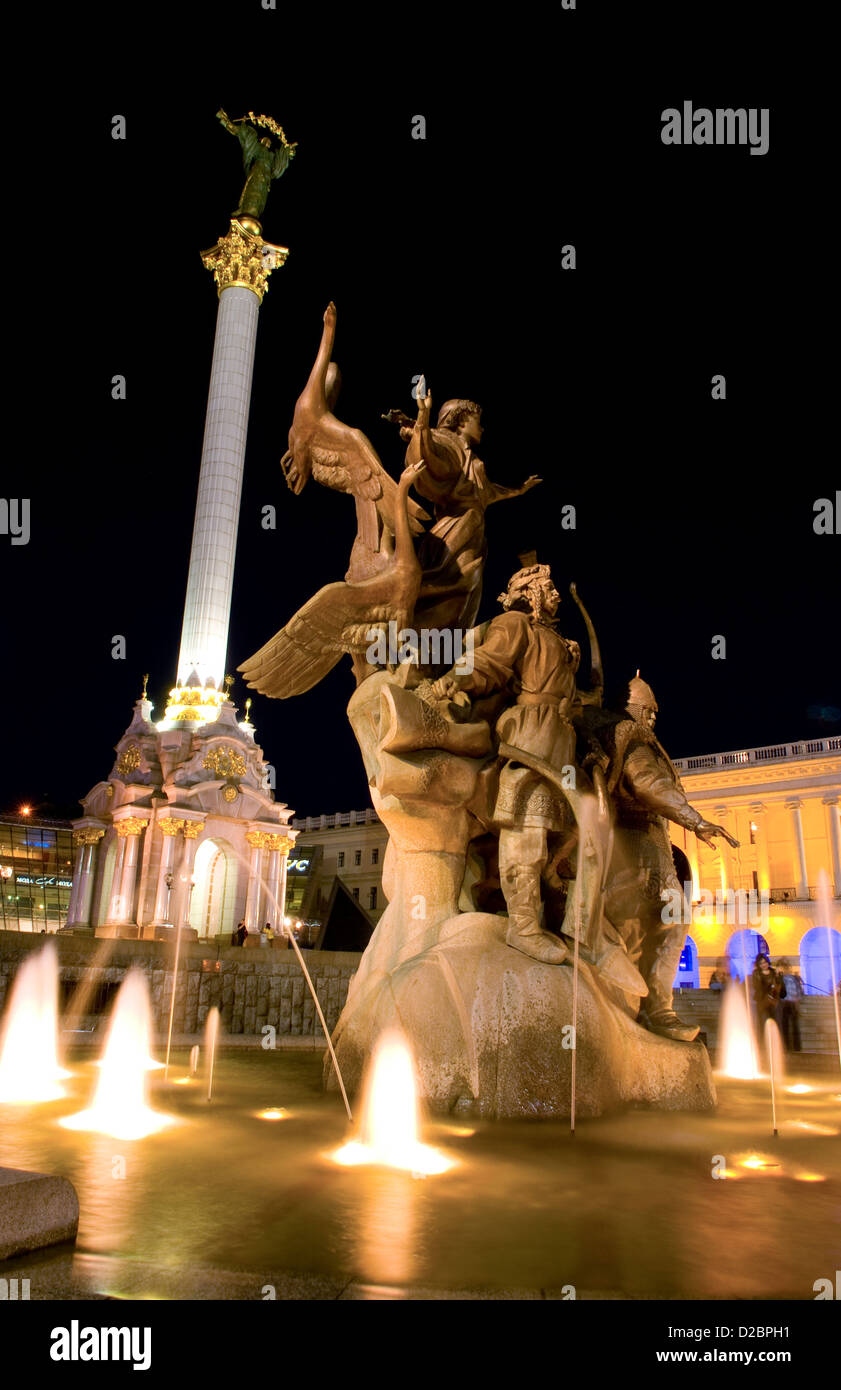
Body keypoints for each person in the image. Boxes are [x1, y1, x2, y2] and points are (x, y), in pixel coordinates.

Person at [432, 562, 580, 965]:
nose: (555, 594)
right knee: (526, 833)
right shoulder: (517, 624)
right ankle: (524, 927)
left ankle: (559, 922)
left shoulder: (559, 640)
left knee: (566, 840)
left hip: (561, 745)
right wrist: (451, 680)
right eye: (547, 587)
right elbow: (487, 663)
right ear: (529, 594)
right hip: (530, 740)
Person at [577, 674, 739, 1042]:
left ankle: (651, 1006)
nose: (652, 718)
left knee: (655, 924)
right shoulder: (630, 738)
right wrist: (694, 820)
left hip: (647, 849)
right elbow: (650, 785)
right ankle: (655, 1008)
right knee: (665, 917)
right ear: (631, 709)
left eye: (654, 713)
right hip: (634, 848)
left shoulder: (632, 736)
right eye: (647, 711)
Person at [752, 952, 785, 1033]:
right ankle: (763, 1043)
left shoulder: (774, 972)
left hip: (774, 1002)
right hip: (762, 1002)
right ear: (758, 965)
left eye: (765, 962)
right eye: (761, 963)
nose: (764, 965)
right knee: (763, 1024)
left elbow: (780, 986)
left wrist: (778, 976)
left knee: (776, 1024)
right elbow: (756, 987)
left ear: (768, 962)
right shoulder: (756, 974)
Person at [777, 957, 803, 1052]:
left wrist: (797, 1001)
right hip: (784, 1003)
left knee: (795, 1026)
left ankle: (796, 1047)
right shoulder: (780, 979)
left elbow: (798, 991)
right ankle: (787, 1046)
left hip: (792, 1003)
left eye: (786, 967)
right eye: (783, 967)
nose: (785, 969)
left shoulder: (794, 978)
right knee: (785, 1025)